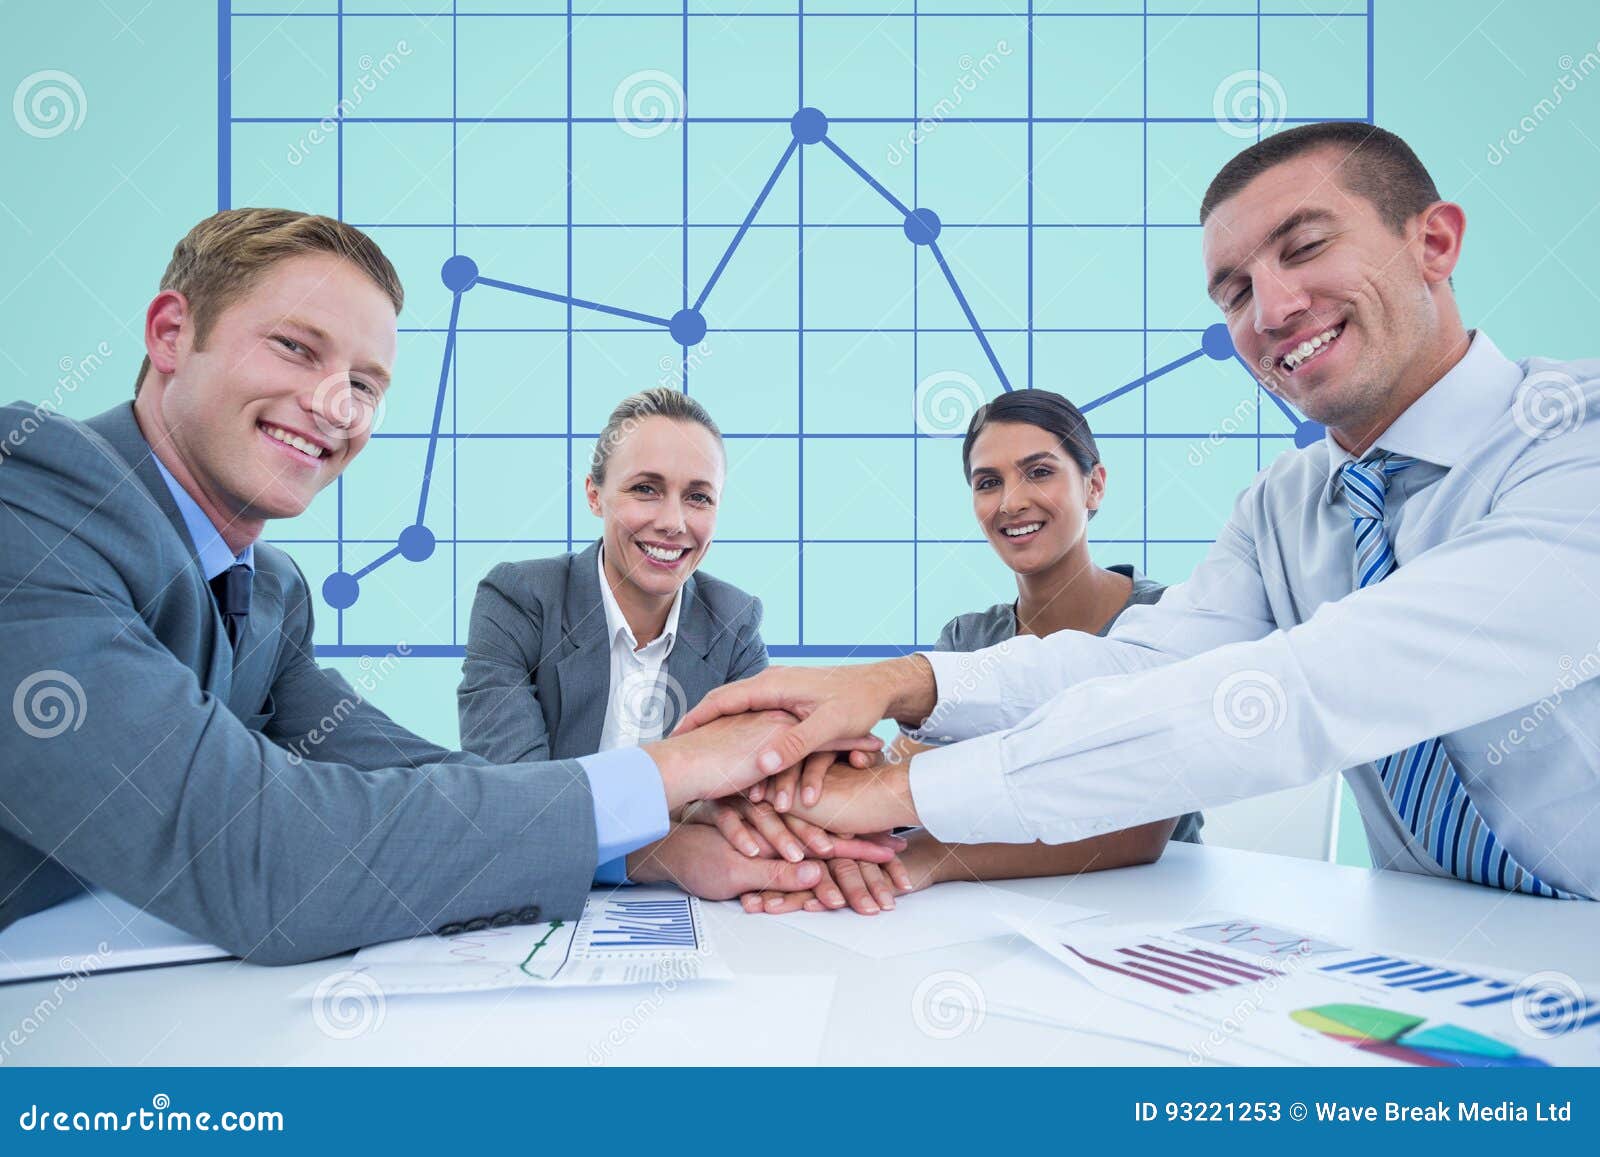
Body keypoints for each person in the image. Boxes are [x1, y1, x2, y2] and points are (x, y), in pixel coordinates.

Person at [677, 122, 1600, 903]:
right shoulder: (1282, 505)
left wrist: (903, 792)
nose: (1272, 309)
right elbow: (1141, 660)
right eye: (1233, 291)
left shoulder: (1574, 442)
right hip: (1439, 958)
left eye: (1306, 247)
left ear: (1434, 243)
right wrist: (891, 683)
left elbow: (1308, 688)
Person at [0, 209, 877, 964]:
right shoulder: (33, 490)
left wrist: (648, 849)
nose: (334, 405)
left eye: (365, 384)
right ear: (169, 334)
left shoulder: (270, 590)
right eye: (296, 348)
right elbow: (256, 853)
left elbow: (413, 774)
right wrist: (665, 772)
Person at [745, 389, 1202, 914]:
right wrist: (800, 811)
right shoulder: (967, 641)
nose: (1011, 502)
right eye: (989, 483)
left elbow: (1138, 827)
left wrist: (926, 859)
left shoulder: (1167, 620)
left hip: (1157, 908)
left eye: (1039, 472)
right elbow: (908, 786)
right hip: (997, 910)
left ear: (1094, 485)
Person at [458, 386, 904, 880]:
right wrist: (661, 850)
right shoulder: (521, 599)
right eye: (645, 489)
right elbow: (516, 806)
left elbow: (757, 794)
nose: (673, 523)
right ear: (593, 495)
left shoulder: (733, 622)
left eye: (698, 497)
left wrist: (830, 780)